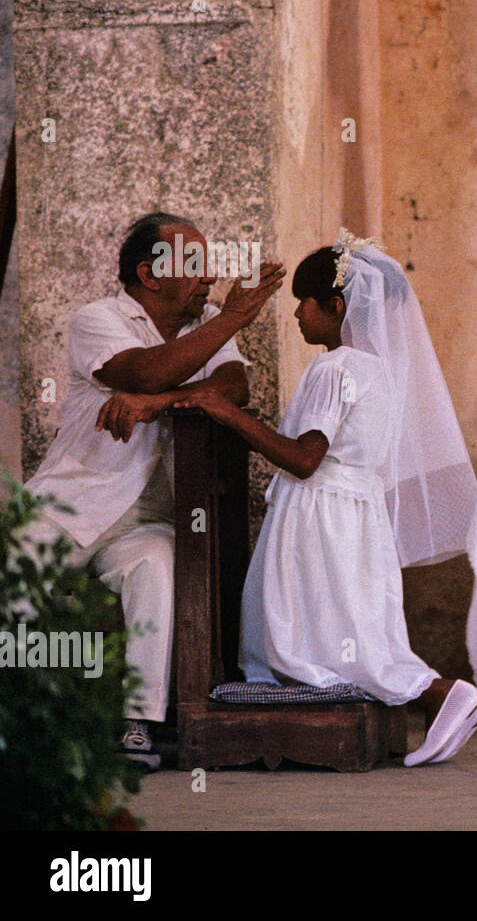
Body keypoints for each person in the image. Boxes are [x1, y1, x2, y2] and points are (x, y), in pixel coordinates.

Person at [175, 233, 477, 766]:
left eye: (304, 302)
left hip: (318, 515)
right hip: (357, 516)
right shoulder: (383, 371)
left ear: (336, 307)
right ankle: (439, 701)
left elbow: (304, 458)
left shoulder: (336, 367)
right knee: (355, 631)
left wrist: (228, 414)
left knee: (317, 636)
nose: (296, 314)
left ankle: (442, 693)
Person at [23, 211, 284, 772]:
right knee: (13, 566)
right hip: (74, 497)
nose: (209, 276)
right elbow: (141, 372)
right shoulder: (99, 318)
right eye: (193, 263)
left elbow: (234, 386)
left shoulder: (206, 323)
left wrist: (160, 403)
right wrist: (233, 319)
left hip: (149, 512)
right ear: (149, 272)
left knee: (159, 570)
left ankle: (136, 723)